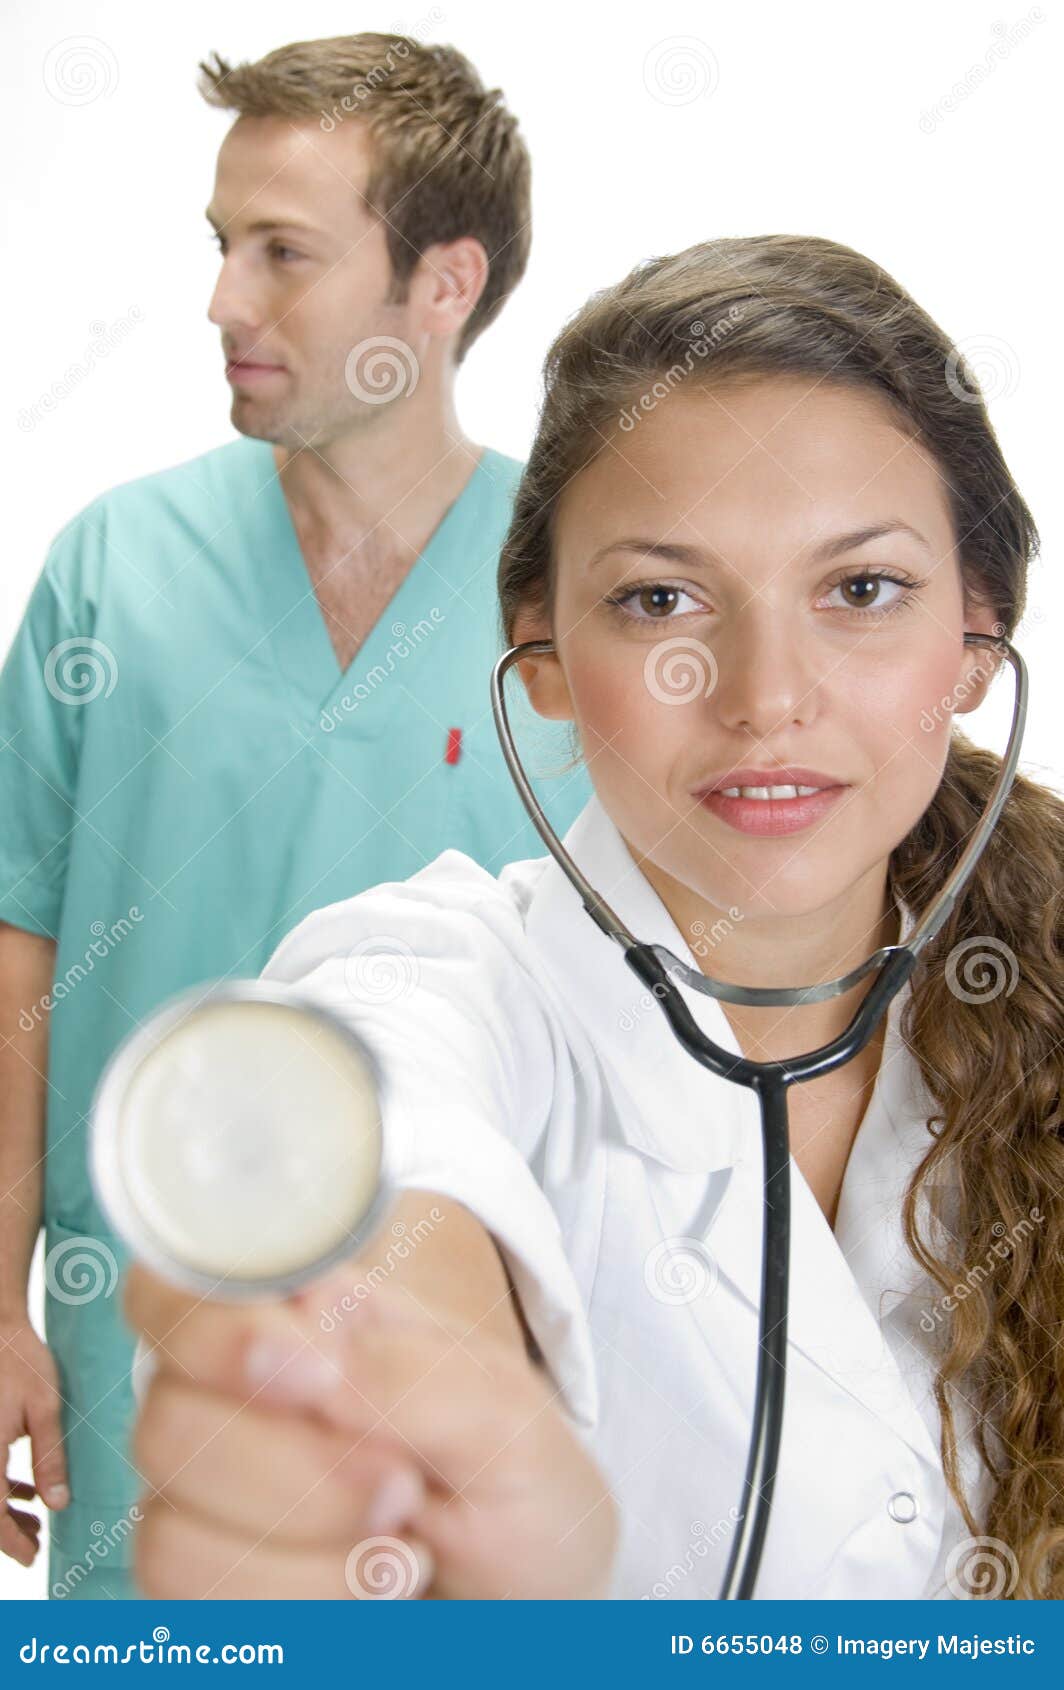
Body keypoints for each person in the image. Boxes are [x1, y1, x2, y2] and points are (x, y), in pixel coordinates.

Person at [126, 233, 1063, 1601]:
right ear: (545, 654)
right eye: (661, 597)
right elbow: (371, 1146)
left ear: (976, 639)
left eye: (860, 591)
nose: (766, 695)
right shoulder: (438, 979)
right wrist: (401, 1406)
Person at [0, 33, 591, 1600]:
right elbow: (18, 967)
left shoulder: (589, 601)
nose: (221, 303)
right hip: (144, 1340)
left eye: (283, 255)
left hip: (486, 1363)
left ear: (443, 284)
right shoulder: (111, 574)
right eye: (219, 248)